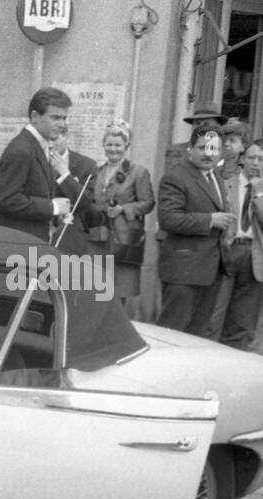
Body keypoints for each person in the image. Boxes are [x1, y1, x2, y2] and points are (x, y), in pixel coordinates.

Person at [156, 123, 235, 338]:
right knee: (172, 334)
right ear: (190, 148)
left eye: (214, 149)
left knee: (195, 336)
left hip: (210, 270)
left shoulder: (216, 176)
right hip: (183, 271)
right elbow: (168, 219)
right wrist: (210, 220)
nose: (208, 154)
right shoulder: (176, 177)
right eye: (202, 148)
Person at [0, 87, 87, 243]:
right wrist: (52, 207)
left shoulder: (37, 146)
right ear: (35, 116)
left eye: (64, 118)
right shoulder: (22, 150)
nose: (62, 124)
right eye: (56, 118)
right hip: (17, 244)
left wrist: (55, 211)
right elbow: (7, 200)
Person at [83, 119, 155, 319]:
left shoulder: (138, 172)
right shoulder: (96, 172)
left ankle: (116, 327)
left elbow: (148, 202)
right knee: (97, 287)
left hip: (124, 238)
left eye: (118, 145)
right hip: (98, 237)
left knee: (119, 288)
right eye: (109, 144)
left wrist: (124, 208)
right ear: (103, 145)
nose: (113, 149)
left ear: (127, 146)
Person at [213, 137, 263, 349]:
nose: (255, 163)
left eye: (261, 159)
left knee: (243, 320)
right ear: (242, 159)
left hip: (254, 255)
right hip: (227, 252)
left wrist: (258, 192)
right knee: (214, 314)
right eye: (251, 157)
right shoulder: (226, 184)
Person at [164, 104, 228, 173]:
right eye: (197, 123)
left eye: (206, 124)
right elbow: (175, 177)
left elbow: (228, 177)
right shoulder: (176, 151)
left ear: (217, 126)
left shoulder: (226, 153)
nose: (200, 127)